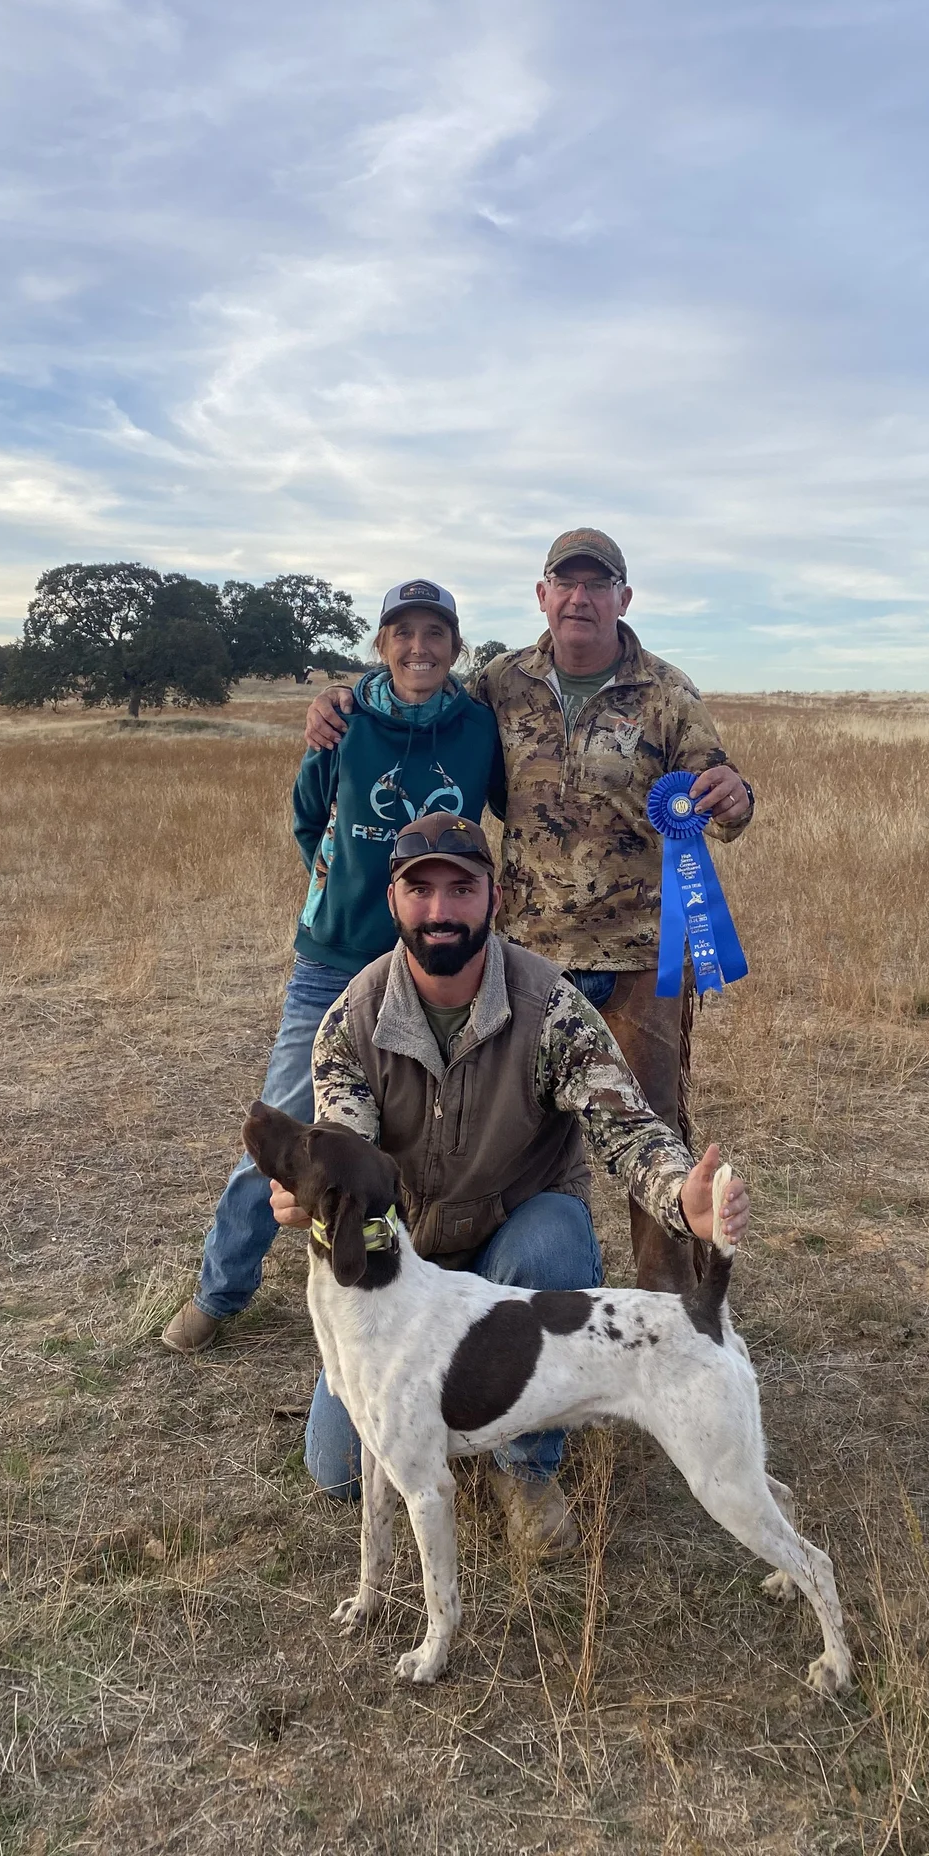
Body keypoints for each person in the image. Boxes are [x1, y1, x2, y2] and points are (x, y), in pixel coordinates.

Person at [266, 811, 750, 1553]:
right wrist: (310, 1203)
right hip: (412, 1270)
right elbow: (346, 1158)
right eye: (418, 890)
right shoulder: (352, 1018)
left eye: (461, 889)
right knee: (337, 1468)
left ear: (494, 898)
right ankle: (491, 1404)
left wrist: (683, 1199)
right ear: (392, 900)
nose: (439, 910)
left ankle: (526, 1463)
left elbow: (627, 1129)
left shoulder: (549, 1004)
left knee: (555, 1240)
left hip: (520, 1237)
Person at [304, 528, 754, 1293]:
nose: (580, 597)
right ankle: (494, 1289)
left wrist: (736, 797)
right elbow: (420, 704)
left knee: (650, 1135)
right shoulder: (499, 682)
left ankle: (669, 1317)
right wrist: (343, 700)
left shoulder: (669, 692)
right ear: (542, 595)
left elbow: (721, 798)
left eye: (597, 583)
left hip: (639, 960)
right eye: (564, 582)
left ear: (623, 598)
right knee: (494, 1138)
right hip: (522, 959)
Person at [163, 581, 503, 1354]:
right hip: (332, 961)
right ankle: (220, 1292)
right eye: (402, 634)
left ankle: (427, 1285)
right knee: (286, 1123)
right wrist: (337, 887)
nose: (420, 648)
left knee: (445, 1126)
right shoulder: (343, 720)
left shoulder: (482, 728)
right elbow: (308, 816)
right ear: (381, 645)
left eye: (435, 634)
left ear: (455, 646)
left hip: (434, 960)